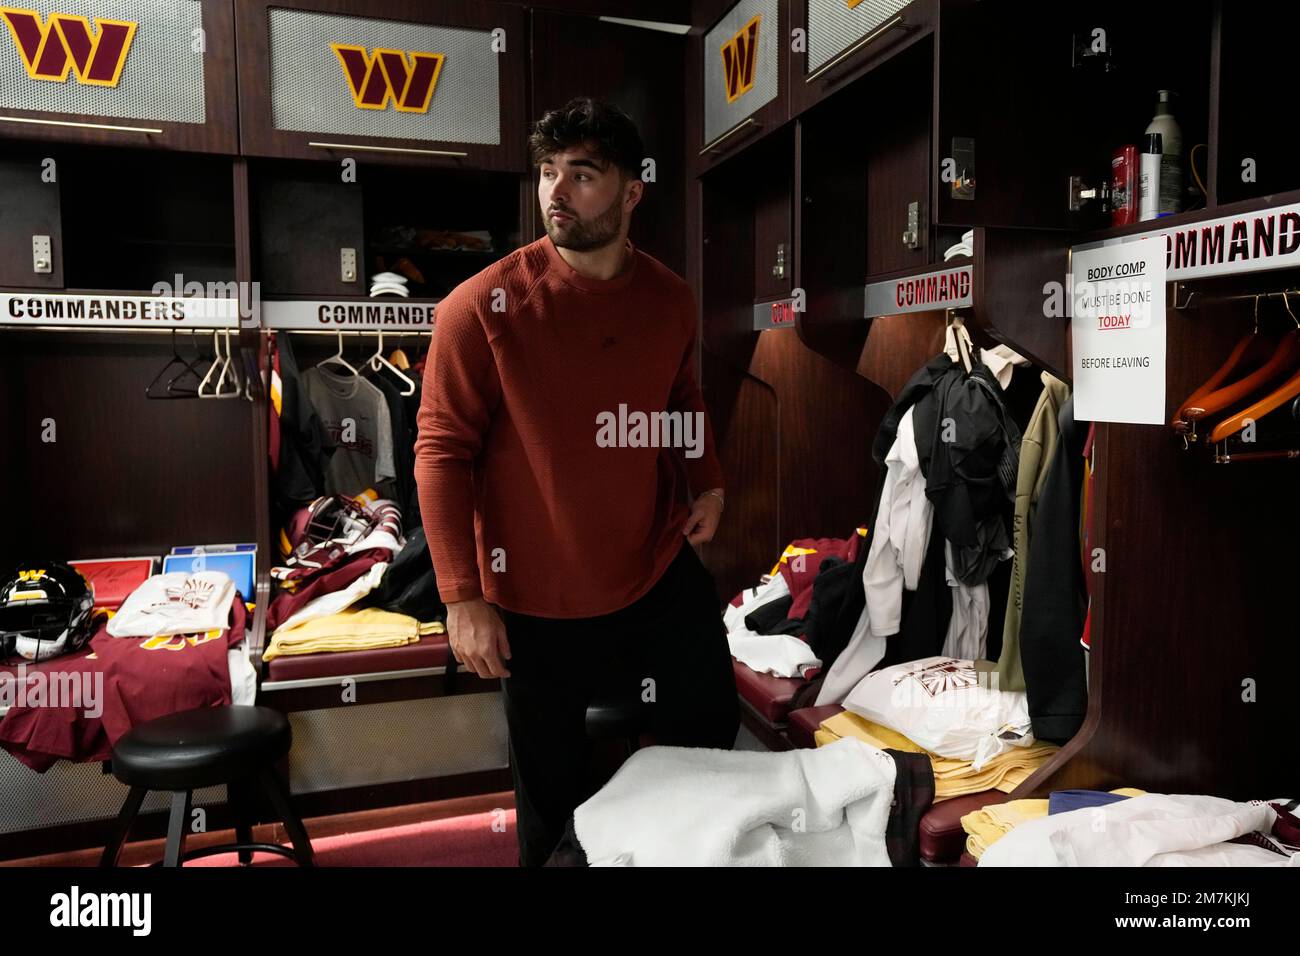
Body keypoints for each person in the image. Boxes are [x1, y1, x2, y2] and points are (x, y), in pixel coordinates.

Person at [414, 96, 740, 867]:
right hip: (531, 596)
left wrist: (710, 483)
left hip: (653, 569)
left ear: (633, 192)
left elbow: (680, 398)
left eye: (582, 174)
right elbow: (440, 452)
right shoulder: (480, 308)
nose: (556, 192)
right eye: (548, 173)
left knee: (711, 734)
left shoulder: (670, 298)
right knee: (552, 799)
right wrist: (462, 597)